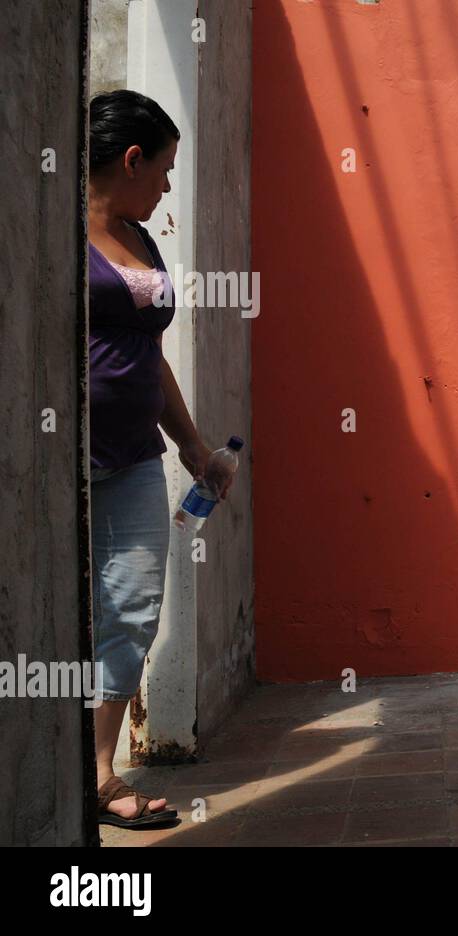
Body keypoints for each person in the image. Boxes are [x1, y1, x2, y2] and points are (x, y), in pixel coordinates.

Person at [87, 90, 234, 828]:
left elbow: (148, 354)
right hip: (64, 464)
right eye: (165, 169)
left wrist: (194, 444)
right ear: (132, 159)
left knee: (133, 607)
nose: (170, 187)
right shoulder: (58, 235)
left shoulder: (142, 242)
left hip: (136, 455)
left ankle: (98, 772)